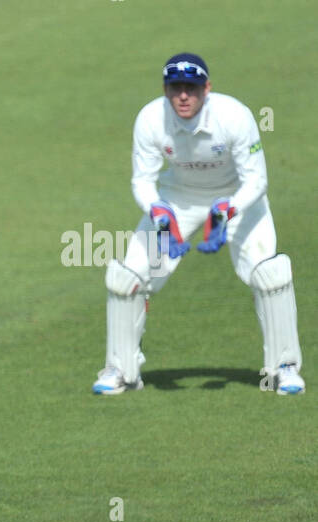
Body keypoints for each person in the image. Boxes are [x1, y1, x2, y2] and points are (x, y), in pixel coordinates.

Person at [93, 53, 303, 395]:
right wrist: (159, 212)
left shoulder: (234, 116)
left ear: (207, 88)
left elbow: (257, 180)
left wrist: (227, 210)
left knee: (269, 274)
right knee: (128, 276)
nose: (183, 96)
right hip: (177, 198)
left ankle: (284, 368)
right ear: (165, 89)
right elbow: (142, 181)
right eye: (175, 88)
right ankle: (120, 370)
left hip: (237, 197)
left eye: (191, 87)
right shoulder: (150, 119)